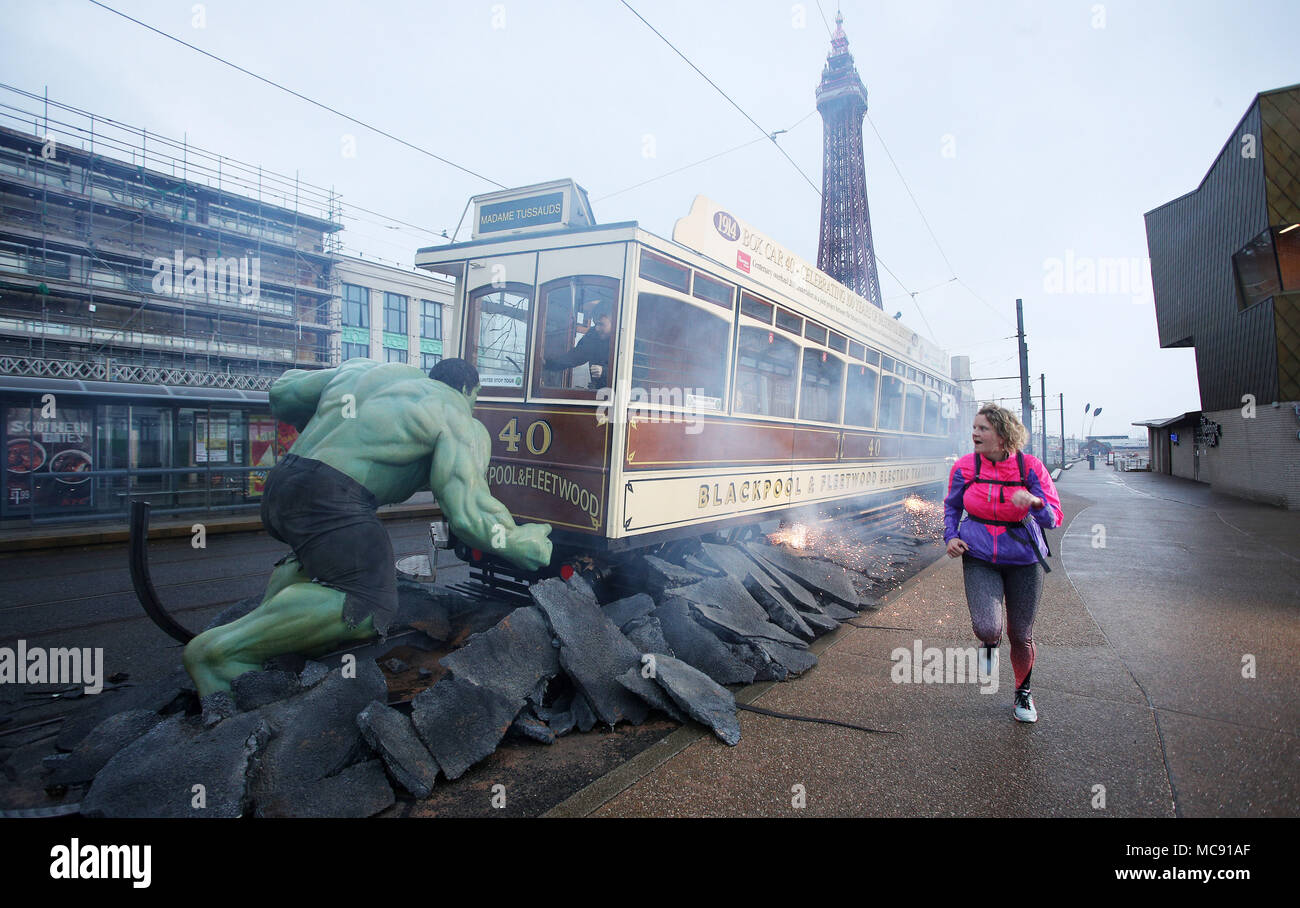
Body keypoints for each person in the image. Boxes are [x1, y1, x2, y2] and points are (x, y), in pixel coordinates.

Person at [183, 357, 552, 696]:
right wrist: (520, 541)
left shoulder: (372, 372)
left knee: (321, 567)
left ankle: (275, 649)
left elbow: (284, 392)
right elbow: (470, 515)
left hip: (283, 482)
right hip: (333, 497)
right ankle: (221, 654)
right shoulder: (458, 416)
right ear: (472, 392)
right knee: (368, 602)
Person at [943, 403, 1062, 722]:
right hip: (980, 556)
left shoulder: (1031, 468)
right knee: (987, 627)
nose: (974, 433)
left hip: (1023, 560)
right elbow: (952, 507)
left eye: (983, 428)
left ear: (1002, 434)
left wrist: (1035, 503)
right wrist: (950, 536)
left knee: (1021, 633)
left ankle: (1023, 693)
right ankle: (989, 643)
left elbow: (1054, 518)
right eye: (974, 427)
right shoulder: (964, 467)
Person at [544, 301, 612, 388]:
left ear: (614, 323)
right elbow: (574, 357)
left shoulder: (628, 339)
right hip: (598, 393)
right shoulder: (593, 335)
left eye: (601, 324)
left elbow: (632, 373)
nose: (597, 328)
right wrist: (548, 364)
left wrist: (604, 372)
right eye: (595, 324)